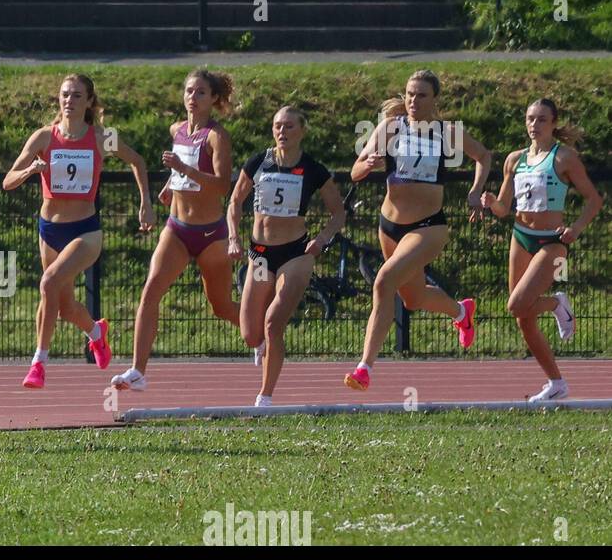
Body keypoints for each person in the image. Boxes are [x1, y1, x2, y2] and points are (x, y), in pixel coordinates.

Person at [344, 69, 491, 391]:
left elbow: (483, 156)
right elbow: (355, 171)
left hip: (428, 226)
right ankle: (460, 311)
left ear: (435, 99)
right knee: (412, 298)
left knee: (383, 281)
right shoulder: (391, 127)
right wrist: (366, 165)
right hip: (389, 225)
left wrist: (475, 192)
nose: (413, 100)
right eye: (410, 94)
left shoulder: (446, 132)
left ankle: (364, 368)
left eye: (421, 95)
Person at [3, 73, 151, 389]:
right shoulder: (43, 137)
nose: (69, 101)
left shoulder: (101, 137)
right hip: (49, 229)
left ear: (88, 101)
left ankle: (38, 363)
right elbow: (7, 180)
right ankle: (96, 333)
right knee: (64, 305)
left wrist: (145, 204)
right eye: (65, 95)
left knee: (48, 282)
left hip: (85, 231)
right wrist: (30, 170)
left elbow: (137, 161)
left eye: (76, 96)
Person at [112, 69, 236, 392]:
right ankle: (137, 372)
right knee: (150, 290)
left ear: (213, 100)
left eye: (200, 93)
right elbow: (182, 166)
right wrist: (171, 184)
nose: (192, 98)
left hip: (211, 234)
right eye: (189, 91)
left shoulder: (216, 137)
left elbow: (223, 185)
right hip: (177, 228)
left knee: (220, 305)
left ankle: (262, 336)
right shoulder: (177, 130)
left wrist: (184, 171)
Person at [480, 99, 603, 402]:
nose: (534, 125)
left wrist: (575, 228)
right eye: (530, 119)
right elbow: (503, 208)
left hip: (552, 241)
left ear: (553, 123)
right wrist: (489, 203)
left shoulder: (565, 158)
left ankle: (557, 304)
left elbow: (594, 200)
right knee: (522, 316)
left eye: (541, 120)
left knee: (515, 305)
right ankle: (556, 382)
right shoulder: (514, 159)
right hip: (521, 236)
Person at [227, 107, 346, 406]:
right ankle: (261, 346)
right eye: (278, 126)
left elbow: (338, 212)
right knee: (251, 334)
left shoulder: (313, 169)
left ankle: (265, 397)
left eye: (289, 126)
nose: (282, 131)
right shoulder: (258, 162)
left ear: (302, 131)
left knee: (273, 321)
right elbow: (234, 202)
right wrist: (233, 237)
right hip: (260, 255)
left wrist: (322, 239)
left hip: (296, 254)